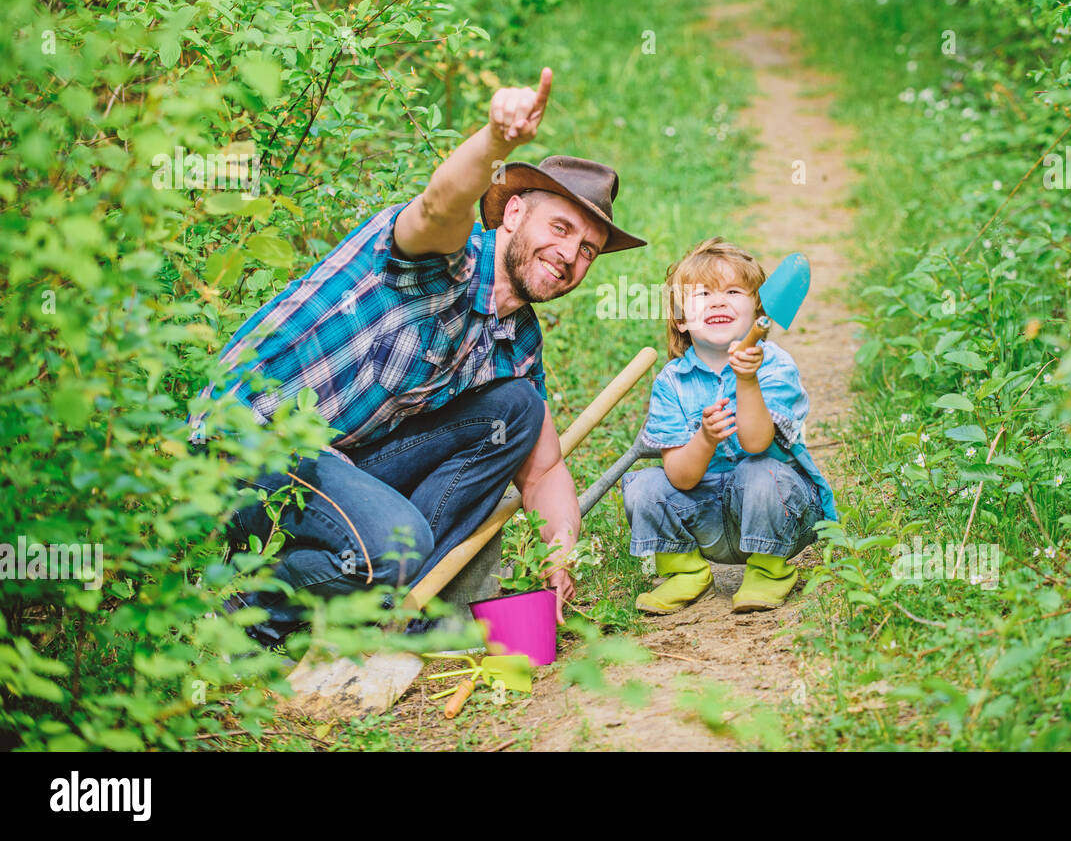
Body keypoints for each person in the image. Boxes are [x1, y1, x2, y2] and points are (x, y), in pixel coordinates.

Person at [189, 67, 647, 647]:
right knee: (395, 540)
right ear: (512, 215)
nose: (569, 256)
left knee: (517, 409)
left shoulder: (517, 337)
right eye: (559, 228)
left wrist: (561, 557)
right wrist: (497, 143)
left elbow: (546, 470)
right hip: (244, 440)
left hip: (331, 463)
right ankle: (249, 608)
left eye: (587, 250)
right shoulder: (444, 263)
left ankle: (387, 599)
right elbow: (437, 206)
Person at [620, 237, 837, 614]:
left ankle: (770, 571)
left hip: (777, 512)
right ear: (682, 319)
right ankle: (684, 570)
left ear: (757, 312)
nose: (718, 300)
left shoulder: (775, 366)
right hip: (707, 517)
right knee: (645, 485)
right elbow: (681, 478)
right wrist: (704, 438)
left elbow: (755, 443)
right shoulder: (672, 382)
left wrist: (747, 380)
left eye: (733, 291)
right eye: (702, 293)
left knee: (759, 472)